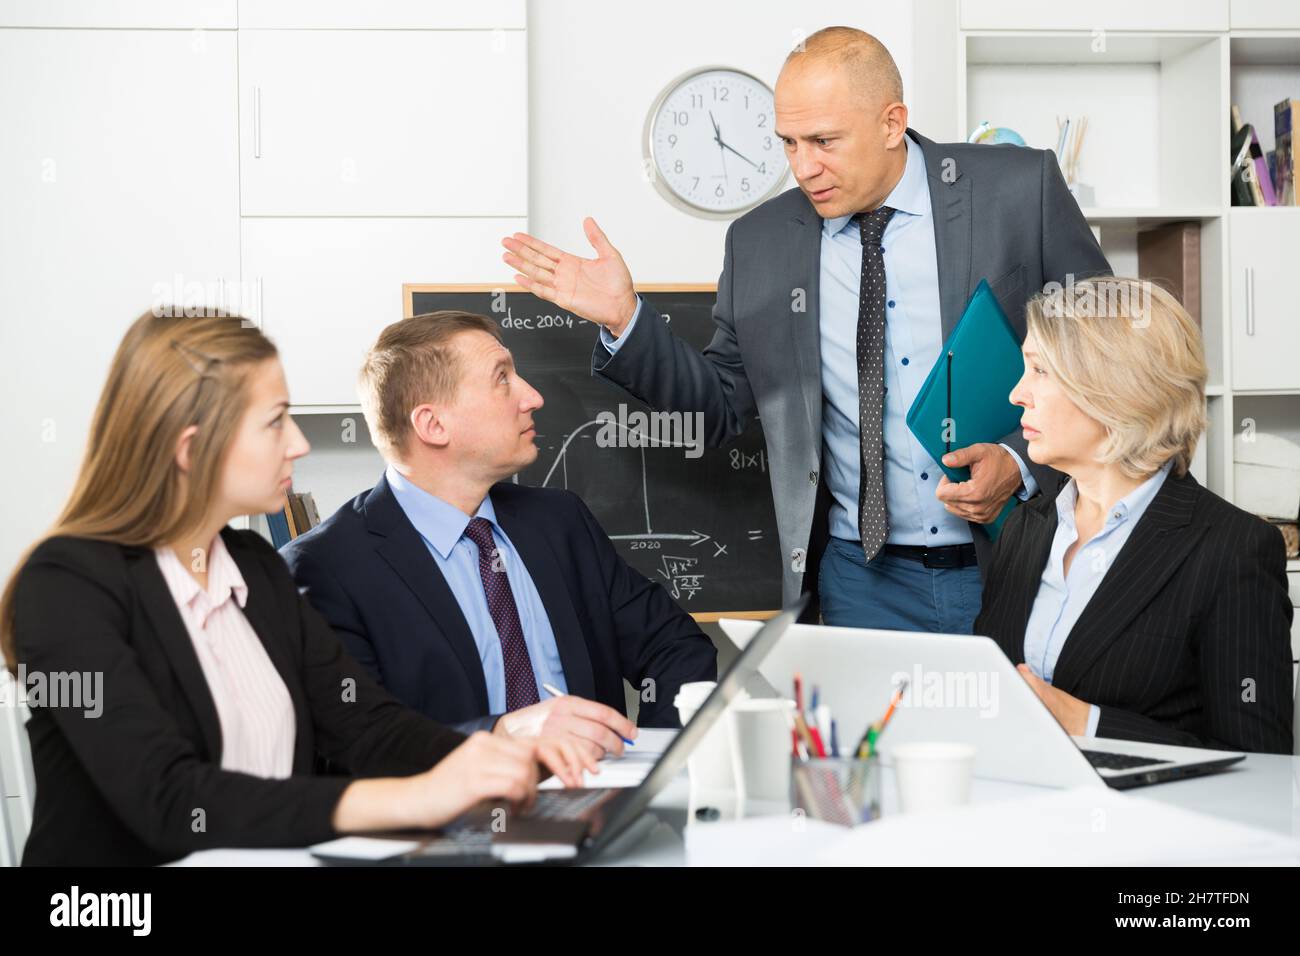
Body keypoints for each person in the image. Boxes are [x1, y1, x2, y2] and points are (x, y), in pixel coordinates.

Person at [501, 26, 1112, 631]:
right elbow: (719, 407)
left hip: (1027, 555)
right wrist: (624, 320)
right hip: (861, 582)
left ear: (892, 123)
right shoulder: (759, 243)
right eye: (789, 144)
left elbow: (1113, 358)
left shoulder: (1019, 191)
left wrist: (1018, 461)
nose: (803, 167)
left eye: (823, 141)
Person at [0, 311, 595, 866]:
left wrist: (497, 754)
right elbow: (168, 799)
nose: (299, 443)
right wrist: (415, 797)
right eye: (274, 421)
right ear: (191, 448)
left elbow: (363, 724)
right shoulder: (65, 585)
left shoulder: (254, 567)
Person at [281, 311, 717, 755]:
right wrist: (502, 736)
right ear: (433, 425)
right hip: (451, 801)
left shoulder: (561, 522)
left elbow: (677, 648)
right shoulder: (324, 569)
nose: (533, 397)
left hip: (595, 794)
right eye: (502, 378)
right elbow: (357, 740)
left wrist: (648, 763)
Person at [975, 278, 1294, 754]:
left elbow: (1260, 763)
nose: (1017, 394)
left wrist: (1086, 723)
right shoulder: (1025, 527)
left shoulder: (1232, 551)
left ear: (1114, 388)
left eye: (1040, 370)